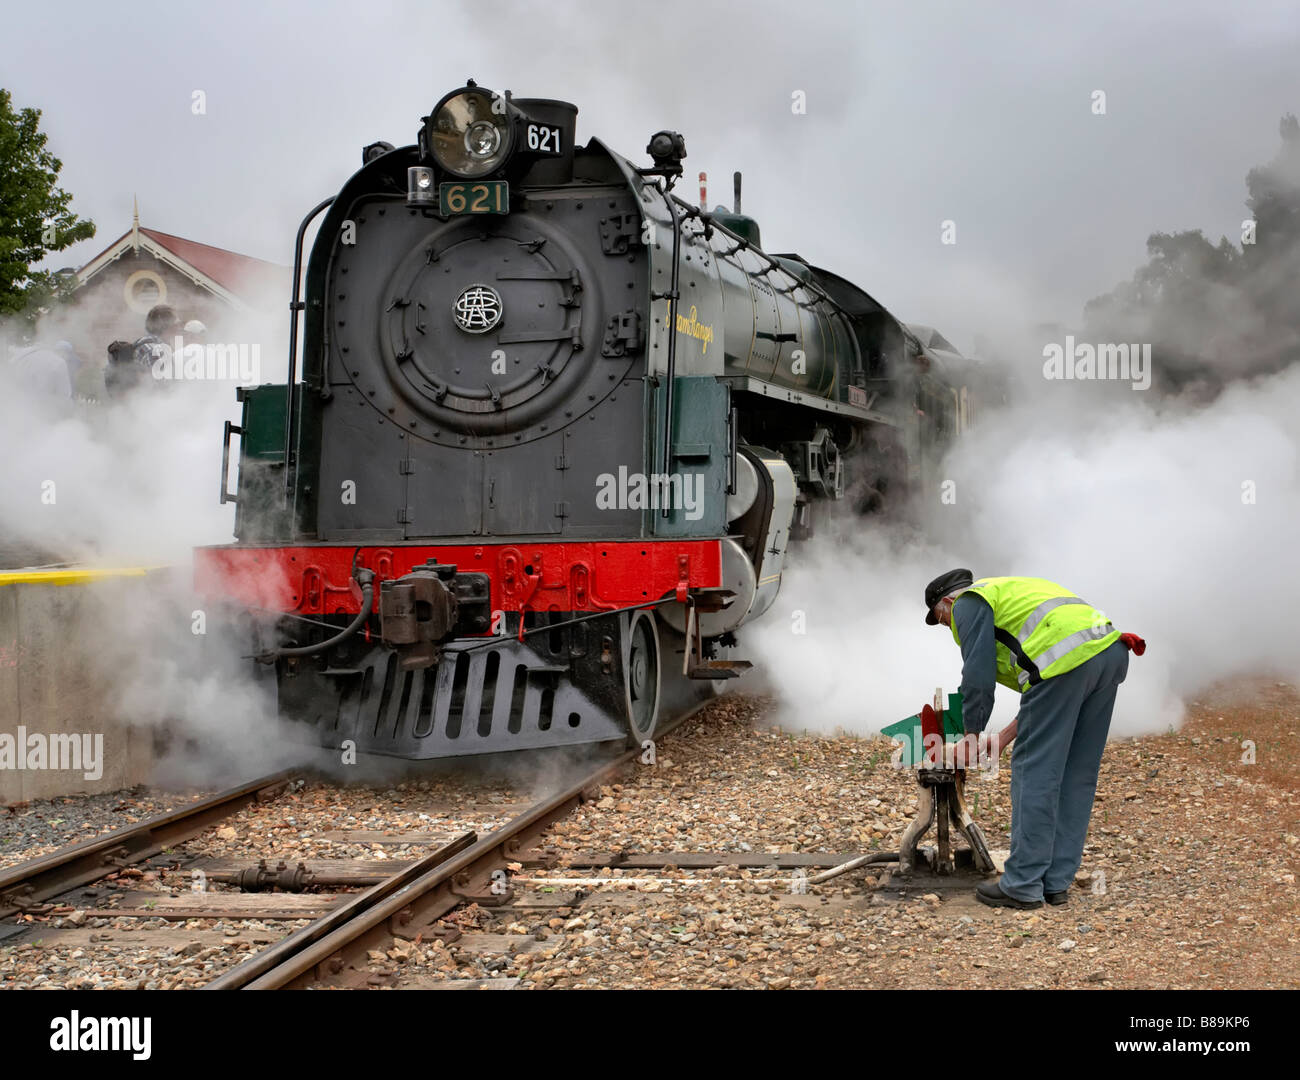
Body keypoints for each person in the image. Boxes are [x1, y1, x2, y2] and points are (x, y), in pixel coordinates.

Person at [924, 569, 1138, 909]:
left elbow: (978, 676)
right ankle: (1055, 883)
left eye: (940, 619)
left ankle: (1023, 884)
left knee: (1034, 771)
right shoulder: (1011, 596)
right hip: (1109, 653)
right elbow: (1045, 686)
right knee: (1076, 773)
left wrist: (970, 735)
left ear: (947, 602)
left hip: (1069, 664)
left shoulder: (968, 602)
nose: (947, 627)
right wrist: (1004, 737)